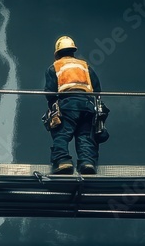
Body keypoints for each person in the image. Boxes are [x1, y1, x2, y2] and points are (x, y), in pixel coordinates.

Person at [44, 35, 103, 175]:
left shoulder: (55, 67)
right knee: (85, 135)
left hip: (68, 104)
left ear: (57, 53)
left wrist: (53, 108)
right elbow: (97, 89)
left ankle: (62, 161)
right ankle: (87, 163)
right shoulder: (85, 66)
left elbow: (50, 93)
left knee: (62, 133)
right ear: (73, 51)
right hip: (88, 105)